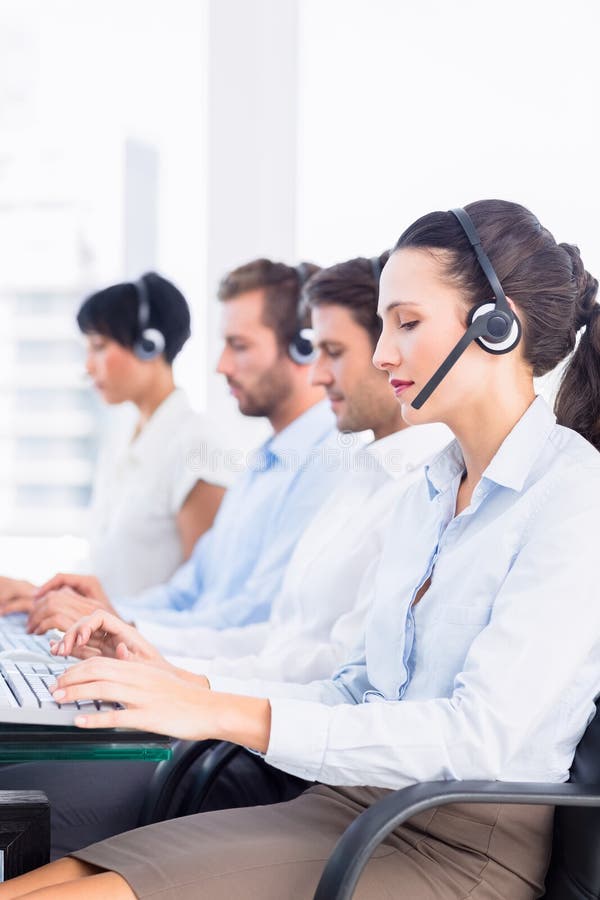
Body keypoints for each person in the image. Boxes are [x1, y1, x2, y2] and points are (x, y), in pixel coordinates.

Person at [5, 199, 600, 900]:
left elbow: (480, 739)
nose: (383, 355)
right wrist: (184, 687)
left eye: (407, 323)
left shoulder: (573, 496)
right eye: (383, 326)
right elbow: (354, 689)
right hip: (352, 806)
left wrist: (222, 712)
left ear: (499, 328)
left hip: (457, 848)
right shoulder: (428, 492)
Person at [8, 259, 344, 639]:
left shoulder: (326, 467)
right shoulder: (261, 464)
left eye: (239, 345)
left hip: (216, 672)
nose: (220, 366)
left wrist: (124, 626)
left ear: (304, 347)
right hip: (181, 654)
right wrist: (100, 614)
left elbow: (253, 620)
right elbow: (193, 590)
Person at [0, 272, 232, 601]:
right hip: (102, 635)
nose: (87, 367)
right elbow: (109, 573)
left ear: (149, 344)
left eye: (98, 347)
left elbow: (203, 598)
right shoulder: (122, 438)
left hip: (149, 644)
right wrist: (36, 596)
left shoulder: (198, 449)